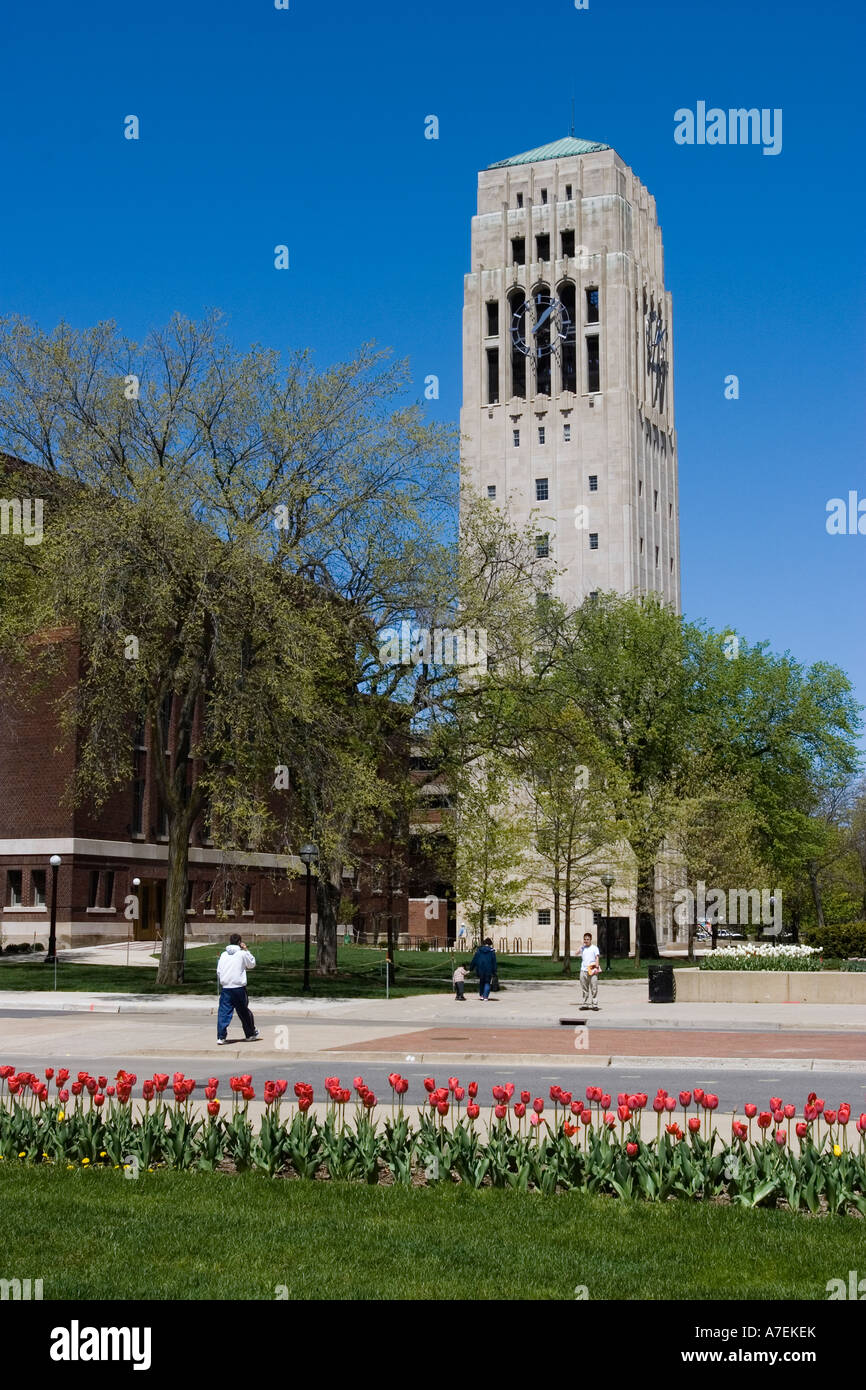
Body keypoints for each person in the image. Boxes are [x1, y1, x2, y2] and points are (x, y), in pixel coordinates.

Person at [216, 934, 261, 1044]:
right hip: (239, 988)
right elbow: (252, 964)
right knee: (244, 1012)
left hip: (226, 987)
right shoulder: (242, 954)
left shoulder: (223, 955)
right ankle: (250, 1034)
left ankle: (221, 1037)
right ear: (239, 942)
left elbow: (219, 971)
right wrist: (246, 950)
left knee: (224, 1012)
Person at [580, 931, 601, 1010]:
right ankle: (585, 1004)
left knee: (594, 987)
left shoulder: (594, 948)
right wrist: (581, 946)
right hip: (583, 970)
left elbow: (597, 958)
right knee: (584, 988)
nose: (586, 941)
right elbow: (576, 953)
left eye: (587, 939)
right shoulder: (583, 948)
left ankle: (594, 1004)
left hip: (592, 969)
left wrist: (597, 967)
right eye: (585, 939)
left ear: (590, 940)